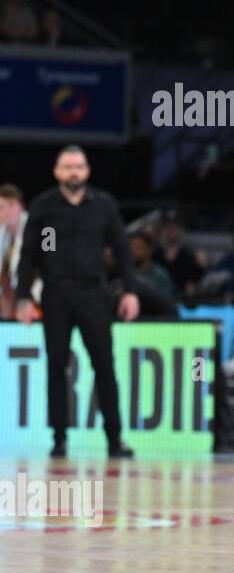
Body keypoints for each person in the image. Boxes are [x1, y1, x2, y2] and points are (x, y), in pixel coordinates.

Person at [15, 147, 141, 458]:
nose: (74, 172)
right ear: (57, 171)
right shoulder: (45, 208)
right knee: (57, 365)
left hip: (94, 295)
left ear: (87, 171)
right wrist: (23, 296)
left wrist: (130, 291)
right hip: (56, 294)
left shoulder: (103, 205)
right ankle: (59, 438)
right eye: (68, 167)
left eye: (79, 166)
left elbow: (123, 250)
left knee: (104, 365)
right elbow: (32, 254)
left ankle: (115, 438)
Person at [0, 183, 29, 319]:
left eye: (12, 205)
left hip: (35, 291)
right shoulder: (2, 232)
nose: (7, 211)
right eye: (1, 207)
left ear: (21, 206)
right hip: (8, 295)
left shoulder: (44, 229)